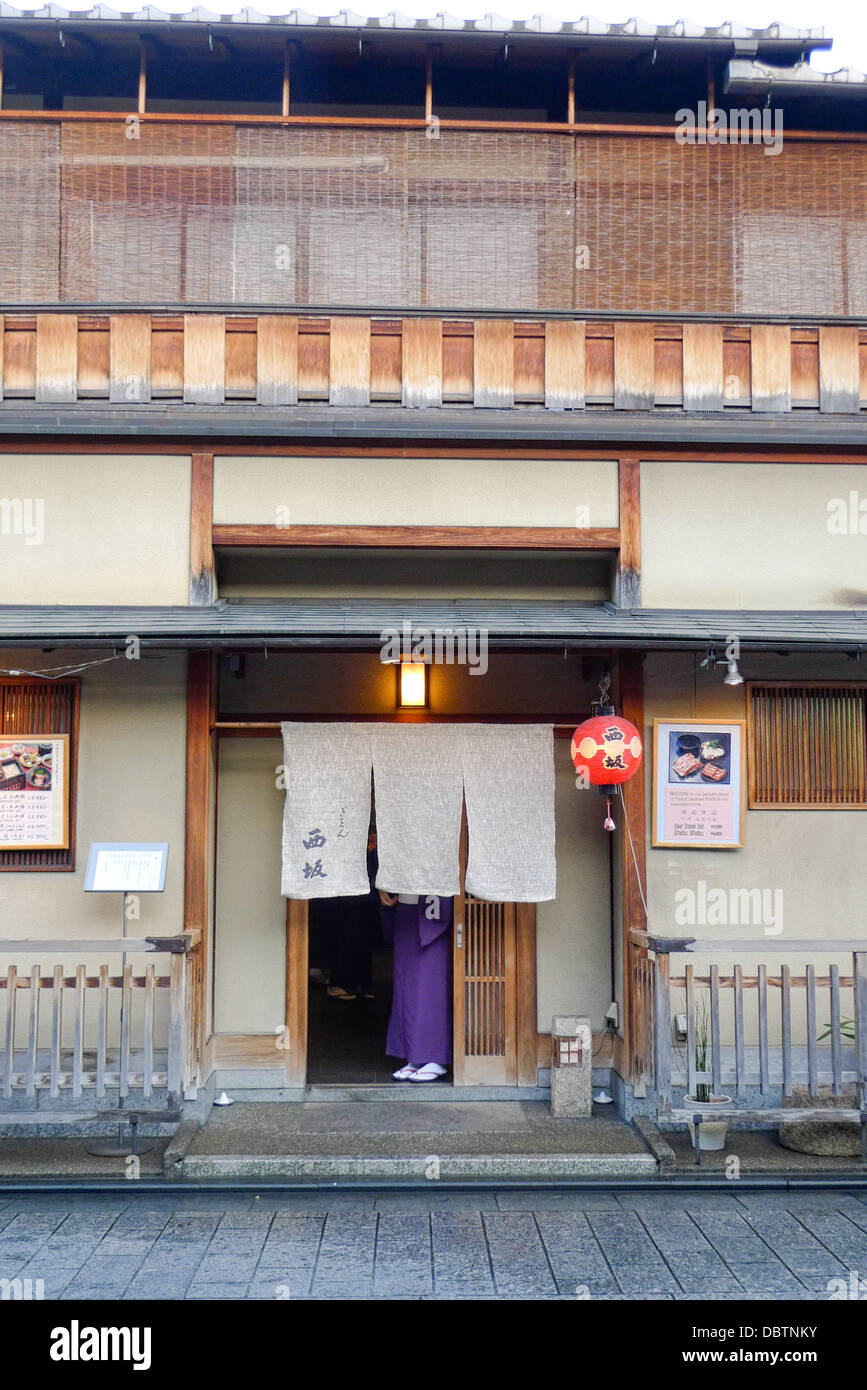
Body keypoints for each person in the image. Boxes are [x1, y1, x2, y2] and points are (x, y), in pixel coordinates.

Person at [378, 888, 453, 1082]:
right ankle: (415, 1056)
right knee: (407, 983)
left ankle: (435, 1056)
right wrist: (384, 883)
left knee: (430, 981)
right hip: (407, 903)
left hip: (432, 899)